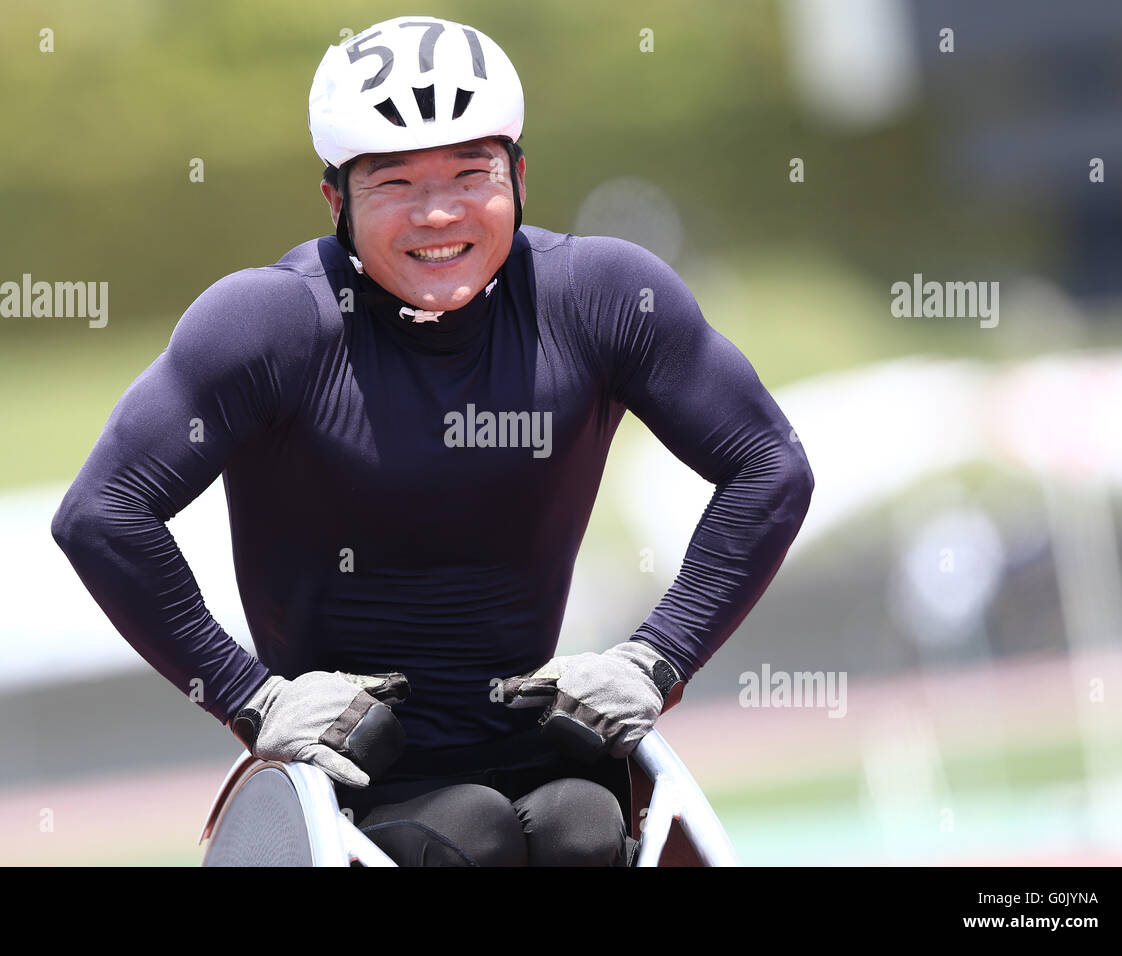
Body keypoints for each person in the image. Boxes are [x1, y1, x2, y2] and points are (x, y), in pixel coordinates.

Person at [50, 14, 814, 867]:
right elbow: (101, 513)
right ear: (336, 199)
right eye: (396, 183)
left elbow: (768, 466)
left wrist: (654, 660)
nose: (438, 212)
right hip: (349, 774)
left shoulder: (605, 298)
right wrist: (252, 700)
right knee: (469, 836)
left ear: (519, 177)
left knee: (581, 828)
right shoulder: (266, 325)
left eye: (468, 172)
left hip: (541, 746)